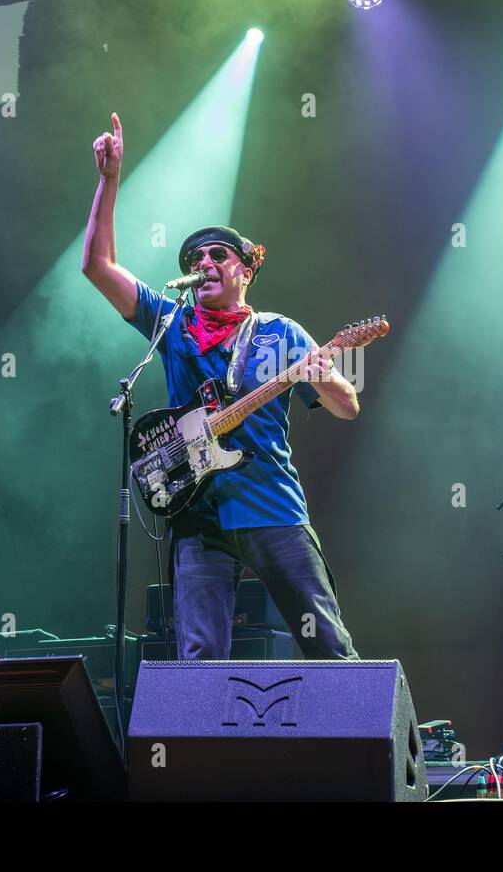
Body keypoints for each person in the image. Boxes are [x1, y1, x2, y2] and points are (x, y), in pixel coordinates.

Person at [81, 112, 360, 660]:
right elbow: (97, 265)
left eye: (217, 255)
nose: (203, 262)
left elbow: (347, 406)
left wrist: (322, 377)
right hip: (196, 514)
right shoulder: (171, 321)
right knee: (199, 659)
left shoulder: (280, 333)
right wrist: (109, 181)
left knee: (326, 644)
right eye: (193, 258)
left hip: (271, 505)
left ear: (244, 271)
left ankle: (367, 744)